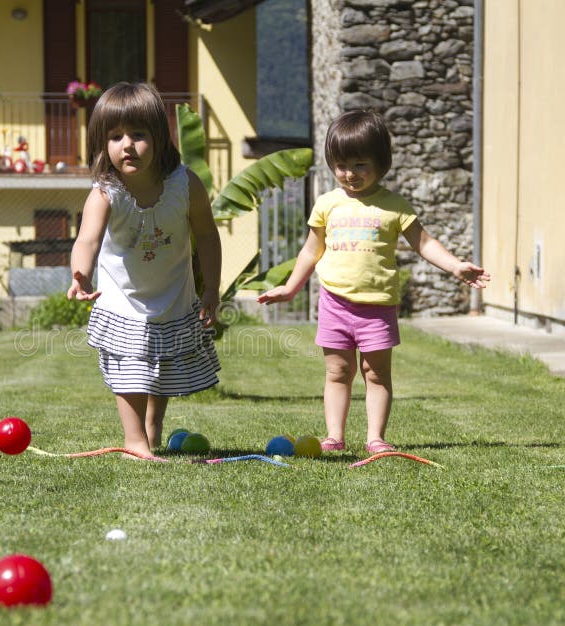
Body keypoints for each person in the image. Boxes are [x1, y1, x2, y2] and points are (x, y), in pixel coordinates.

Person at [257, 109, 490, 454]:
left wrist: (455, 266)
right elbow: (310, 251)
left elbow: (423, 242)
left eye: (360, 165)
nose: (349, 174)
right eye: (341, 165)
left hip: (377, 306)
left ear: (382, 163)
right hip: (334, 302)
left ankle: (375, 438)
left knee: (375, 373)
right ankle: (334, 437)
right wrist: (291, 287)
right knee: (337, 372)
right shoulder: (327, 204)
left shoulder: (394, 206)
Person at [67, 82, 222, 459]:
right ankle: (134, 440)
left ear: (160, 138)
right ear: (103, 144)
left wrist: (211, 290)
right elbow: (87, 239)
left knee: (162, 365)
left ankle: (152, 431)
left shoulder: (185, 184)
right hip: (122, 298)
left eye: (139, 134)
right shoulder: (106, 192)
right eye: (116, 136)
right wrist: (80, 274)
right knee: (131, 365)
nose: (127, 145)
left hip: (171, 293)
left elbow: (207, 235)